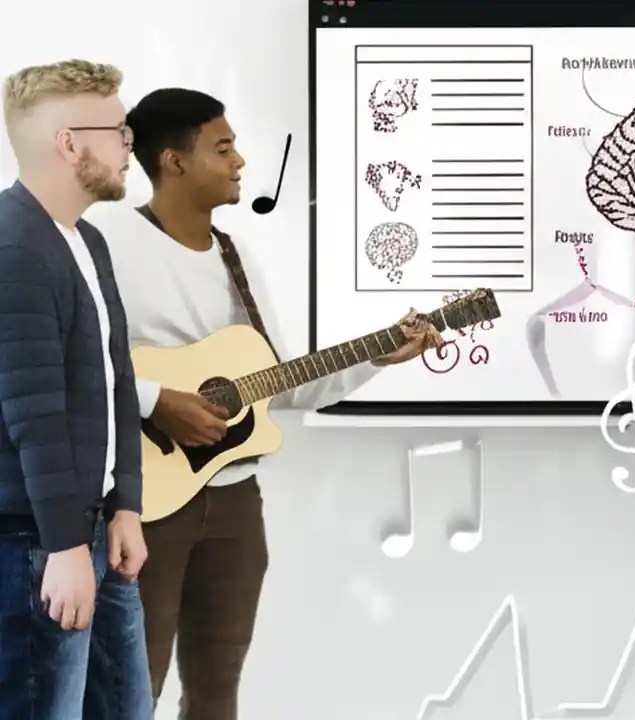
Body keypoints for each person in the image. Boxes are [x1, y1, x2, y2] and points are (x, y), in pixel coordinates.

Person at [86, 87, 444, 719]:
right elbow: (70, 363)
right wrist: (152, 401)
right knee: (129, 692)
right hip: (142, 503)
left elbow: (277, 380)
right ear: (173, 161)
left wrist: (378, 356)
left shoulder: (236, 256)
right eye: (223, 149)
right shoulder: (105, 244)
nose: (241, 163)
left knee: (217, 692)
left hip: (234, 503)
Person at [0, 59, 153, 718]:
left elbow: (114, 380)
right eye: (119, 131)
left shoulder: (86, 240)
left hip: (92, 534)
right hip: (37, 546)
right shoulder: (14, 246)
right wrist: (63, 546)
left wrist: (126, 505)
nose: (129, 147)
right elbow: (34, 413)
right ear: (70, 143)